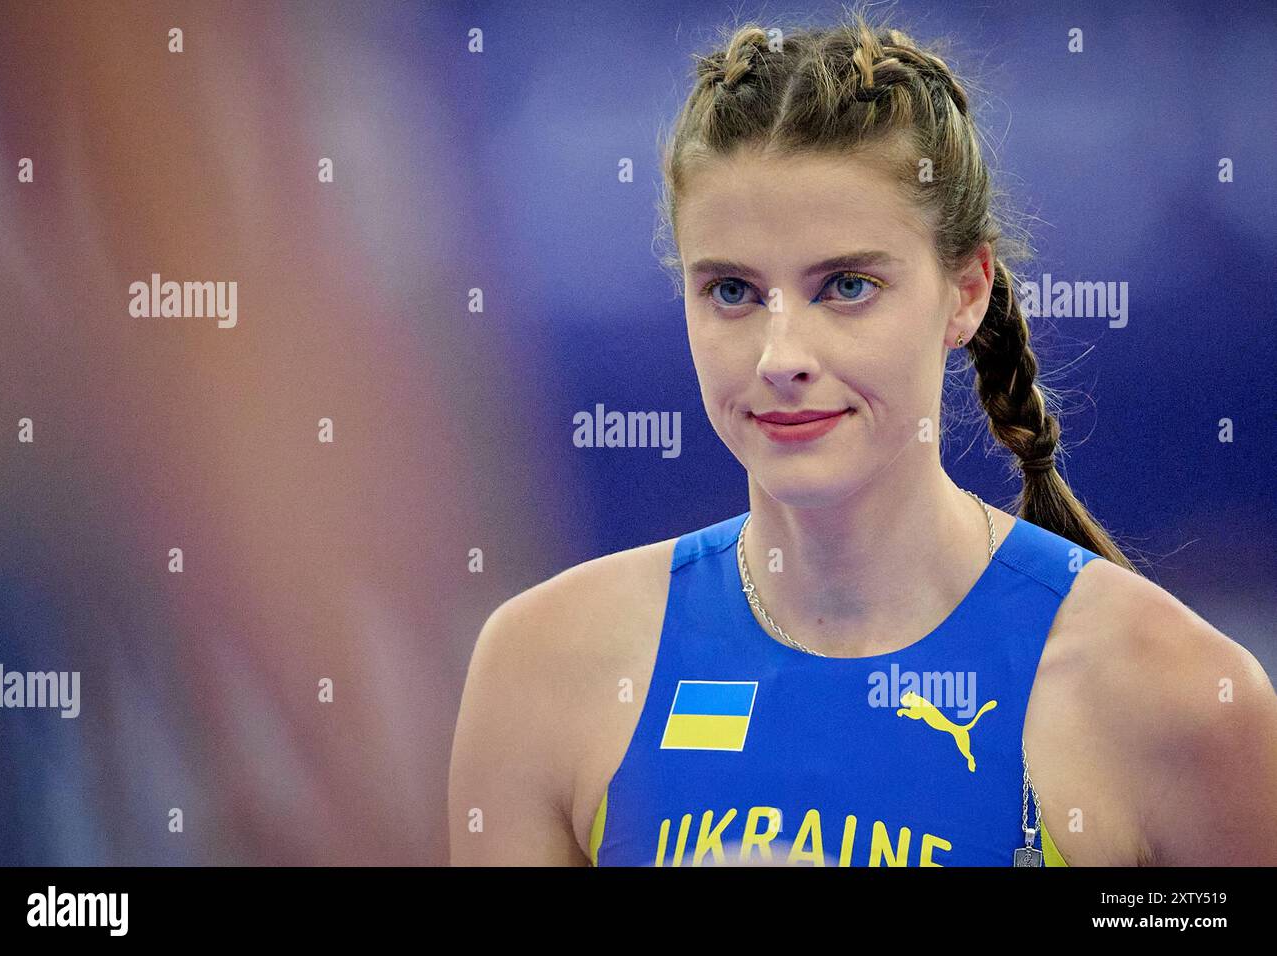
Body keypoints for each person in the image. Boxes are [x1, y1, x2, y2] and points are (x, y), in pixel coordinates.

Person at [448, 8, 1277, 866]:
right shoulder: (542, 669)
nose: (781, 357)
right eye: (731, 291)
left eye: (845, 285)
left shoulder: (1177, 698)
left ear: (966, 292)